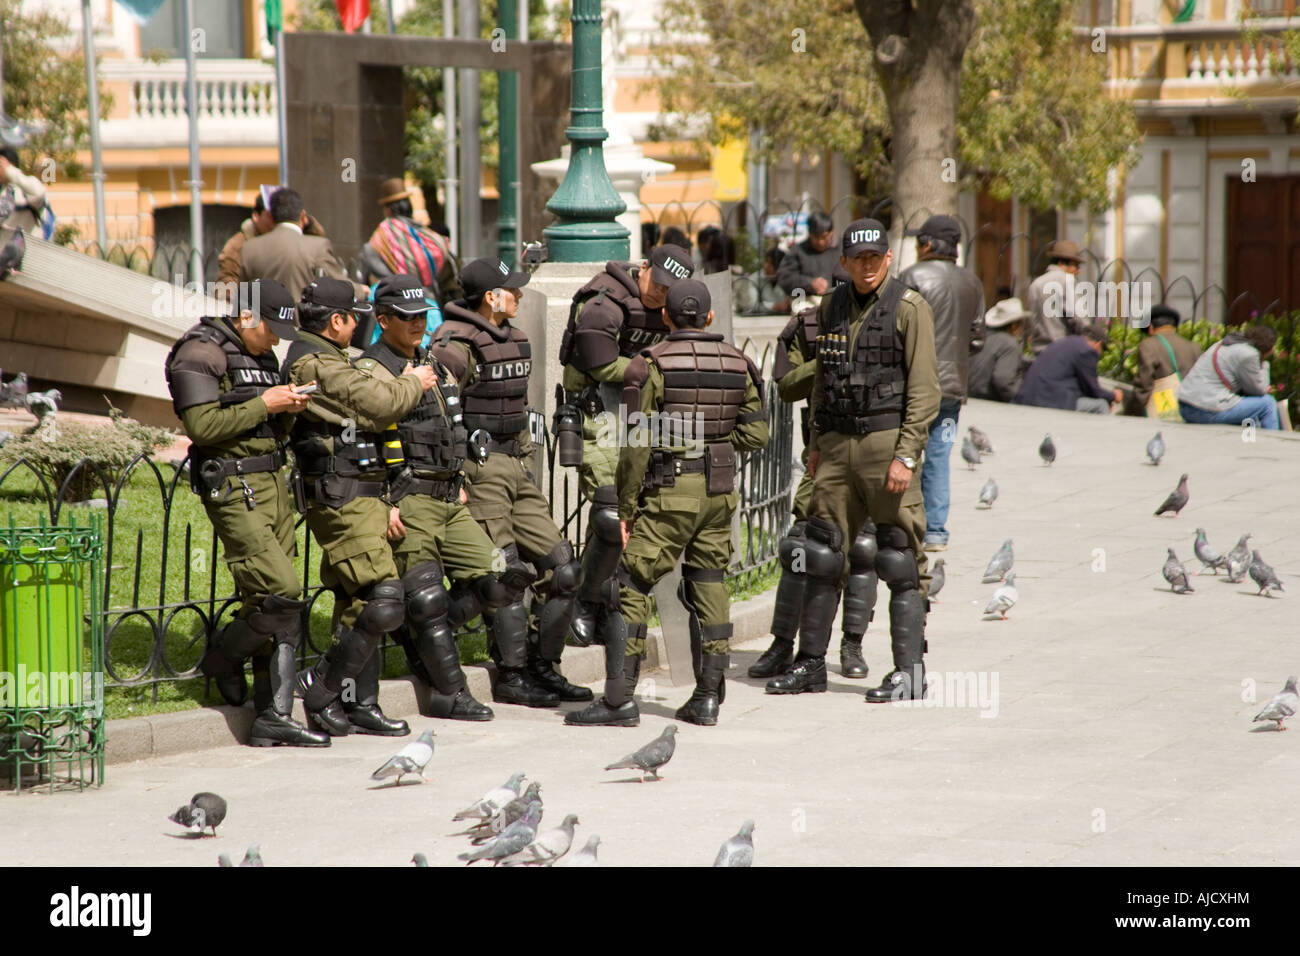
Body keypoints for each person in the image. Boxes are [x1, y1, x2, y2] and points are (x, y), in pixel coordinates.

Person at [566, 279, 769, 727]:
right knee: (709, 582)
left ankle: (619, 701)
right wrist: (712, 443)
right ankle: (708, 697)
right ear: (710, 317)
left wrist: (626, 508)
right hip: (719, 491)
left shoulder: (650, 364)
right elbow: (757, 434)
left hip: (670, 492)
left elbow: (637, 444)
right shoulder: (740, 362)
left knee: (628, 585)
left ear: (666, 317)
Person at [768, 218, 940, 703]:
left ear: (888, 258)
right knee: (822, 555)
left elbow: (925, 391)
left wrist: (906, 455)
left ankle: (910, 673)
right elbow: (824, 379)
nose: (867, 267)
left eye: (874, 258)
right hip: (837, 444)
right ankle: (810, 664)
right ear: (842, 261)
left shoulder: (909, 308)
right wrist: (817, 443)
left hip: (886, 444)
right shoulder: (831, 305)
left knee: (899, 557)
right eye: (858, 259)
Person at [165, 278, 328, 748]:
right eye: (271, 328)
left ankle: (274, 715)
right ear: (245, 316)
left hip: (272, 482)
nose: (276, 340)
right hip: (234, 486)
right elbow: (202, 426)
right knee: (282, 590)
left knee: (273, 603)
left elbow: (269, 427)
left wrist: (289, 407)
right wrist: (264, 403)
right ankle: (222, 656)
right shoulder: (201, 351)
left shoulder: (261, 356)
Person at [429, 257, 590, 707]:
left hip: (515, 465)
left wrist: (525, 463)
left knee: (564, 569)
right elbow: (436, 414)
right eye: (512, 289)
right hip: (478, 470)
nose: (519, 295)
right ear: (490, 297)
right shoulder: (454, 343)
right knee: (507, 572)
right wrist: (455, 473)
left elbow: (517, 410)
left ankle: (543, 666)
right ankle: (511, 675)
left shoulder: (515, 339)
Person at [283, 277, 438, 737]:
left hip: (363, 492)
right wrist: (413, 382)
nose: (358, 326)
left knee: (356, 602)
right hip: (340, 495)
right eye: (355, 317)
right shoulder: (314, 364)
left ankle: (358, 702)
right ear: (337, 321)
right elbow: (381, 404)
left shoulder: (332, 359)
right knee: (383, 599)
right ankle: (320, 689)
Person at [352, 274, 509, 721]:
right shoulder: (372, 371)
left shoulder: (433, 364)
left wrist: (458, 477)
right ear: (383, 320)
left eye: (422, 315)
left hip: (449, 498)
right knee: (427, 599)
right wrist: (383, 503)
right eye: (408, 317)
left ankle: (414, 631)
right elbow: (362, 446)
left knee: (500, 577)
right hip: (409, 499)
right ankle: (450, 693)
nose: (418, 323)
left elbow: (450, 427)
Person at [557, 245, 695, 650]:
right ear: (645, 268)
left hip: (645, 415)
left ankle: (606, 601)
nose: (660, 294)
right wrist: (651, 369)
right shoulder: (605, 302)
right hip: (597, 411)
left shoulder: (672, 304)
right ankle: (584, 603)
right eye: (659, 284)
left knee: (639, 512)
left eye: (670, 290)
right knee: (610, 512)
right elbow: (601, 364)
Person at [899, 214, 986, 553]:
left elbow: (896, 328)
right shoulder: (972, 282)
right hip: (952, 389)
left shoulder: (911, 276)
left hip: (913, 386)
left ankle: (905, 525)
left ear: (927, 245)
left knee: (905, 452)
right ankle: (935, 532)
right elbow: (977, 339)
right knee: (939, 456)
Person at [240, 187, 365, 301]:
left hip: (260, 319)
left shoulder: (249, 248)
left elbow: (243, 297)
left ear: (271, 216)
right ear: (303, 215)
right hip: (300, 318)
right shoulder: (317, 247)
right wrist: (362, 291)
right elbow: (341, 286)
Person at [360, 177, 462, 306]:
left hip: (395, 306)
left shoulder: (380, 239)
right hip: (429, 304)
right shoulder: (427, 237)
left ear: (387, 210)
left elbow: (366, 276)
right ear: (409, 205)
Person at [1177, 325, 1280, 429]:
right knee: (1268, 403)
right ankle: (1272, 439)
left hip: (1186, 406)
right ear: (1269, 347)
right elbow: (1259, 390)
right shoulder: (1249, 354)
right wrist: (1265, 365)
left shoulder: (1224, 343)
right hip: (1204, 411)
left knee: (1252, 418)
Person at [1014, 323, 1120, 414]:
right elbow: (1093, 389)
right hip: (1049, 403)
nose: (1100, 354)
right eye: (1102, 350)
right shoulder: (1087, 351)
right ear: (1098, 344)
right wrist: (1113, 396)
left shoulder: (1065, 343)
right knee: (1101, 405)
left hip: (1029, 398)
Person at [1128, 304, 1202, 416]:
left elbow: (1144, 384)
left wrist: (1133, 411)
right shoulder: (1194, 347)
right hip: (1192, 409)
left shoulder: (1149, 345)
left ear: (1151, 328)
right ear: (1174, 327)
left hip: (1164, 411)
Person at [1026, 239, 1091, 355]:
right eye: (1075, 265)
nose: (1078, 271)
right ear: (1061, 263)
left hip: (1039, 352)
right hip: (1062, 350)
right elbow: (1079, 318)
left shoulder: (1035, 284)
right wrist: (1089, 336)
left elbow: (1033, 321)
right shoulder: (1066, 280)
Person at [968, 297, 1030, 402]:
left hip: (970, 400)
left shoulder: (980, 337)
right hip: (989, 402)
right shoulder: (1008, 344)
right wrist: (1022, 400)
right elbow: (1003, 379)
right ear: (1014, 325)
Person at [217, 185, 277, 288]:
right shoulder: (238, 246)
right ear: (256, 216)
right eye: (271, 216)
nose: (276, 221)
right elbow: (226, 284)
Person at [776, 211, 839, 304]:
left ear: (831, 233)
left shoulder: (841, 249)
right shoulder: (798, 251)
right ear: (809, 233)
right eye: (816, 237)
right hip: (806, 303)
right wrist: (810, 283)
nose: (820, 242)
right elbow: (784, 277)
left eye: (824, 237)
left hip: (838, 301)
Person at [0, 146, 47, 236]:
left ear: (11, 165)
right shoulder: (3, 192)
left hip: (30, 243)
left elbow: (38, 192)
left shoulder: (26, 188)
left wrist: (9, 171)